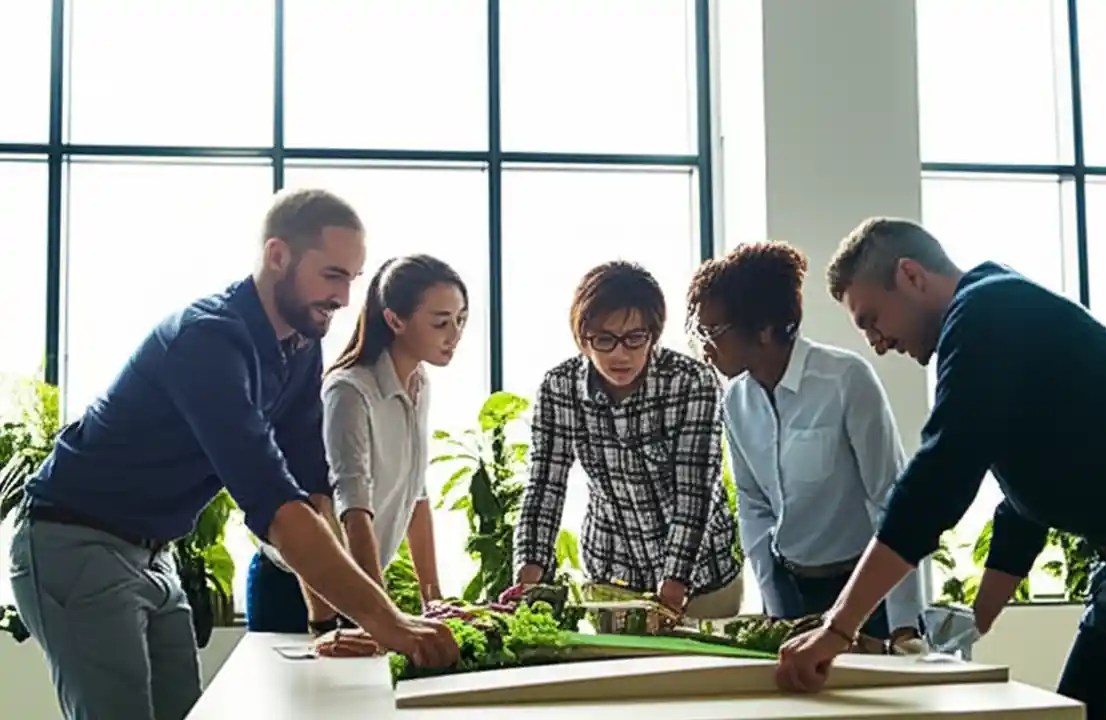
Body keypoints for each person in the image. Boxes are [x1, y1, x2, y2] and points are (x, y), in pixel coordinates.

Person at [773, 217, 1106, 720]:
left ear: (911, 276)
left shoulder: (986, 311)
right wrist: (973, 625)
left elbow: (940, 475)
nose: (878, 342)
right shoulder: (997, 315)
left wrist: (839, 627)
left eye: (872, 320)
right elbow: (1026, 501)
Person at [8, 189, 459, 720]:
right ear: (277, 256)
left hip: (155, 553)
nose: (342, 298)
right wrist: (391, 624)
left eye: (352, 281)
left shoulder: (300, 344)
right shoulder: (208, 341)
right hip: (73, 540)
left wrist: (331, 626)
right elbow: (276, 509)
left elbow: (311, 493)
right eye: (332, 275)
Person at [686, 241, 926, 653]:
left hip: (867, 592)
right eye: (698, 331)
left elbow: (888, 499)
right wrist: (778, 614)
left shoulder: (845, 380)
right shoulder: (736, 401)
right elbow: (755, 508)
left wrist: (905, 624)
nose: (704, 344)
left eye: (714, 332)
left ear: (764, 329)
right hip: (793, 590)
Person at [247, 254, 468, 641]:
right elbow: (353, 509)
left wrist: (433, 603)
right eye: (441, 322)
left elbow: (416, 496)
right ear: (396, 320)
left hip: (360, 587)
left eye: (461, 319)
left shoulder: (420, 384)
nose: (455, 334)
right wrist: (381, 618)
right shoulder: (350, 389)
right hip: (301, 587)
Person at [513, 260, 744, 617]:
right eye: (604, 340)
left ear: (654, 333)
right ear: (583, 338)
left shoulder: (691, 382)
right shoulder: (560, 387)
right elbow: (545, 485)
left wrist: (674, 585)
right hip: (612, 574)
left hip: (701, 579)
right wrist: (529, 575)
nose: (620, 354)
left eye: (635, 338)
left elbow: (695, 492)